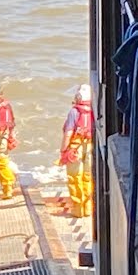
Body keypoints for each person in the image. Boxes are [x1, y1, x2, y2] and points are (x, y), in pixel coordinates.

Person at [58, 84, 94, 218]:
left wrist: (63, 150)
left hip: (75, 149)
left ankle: (78, 209)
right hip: (90, 147)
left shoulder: (74, 112)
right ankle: (89, 207)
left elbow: (68, 132)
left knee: (75, 177)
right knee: (88, 177)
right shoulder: (94, 111)